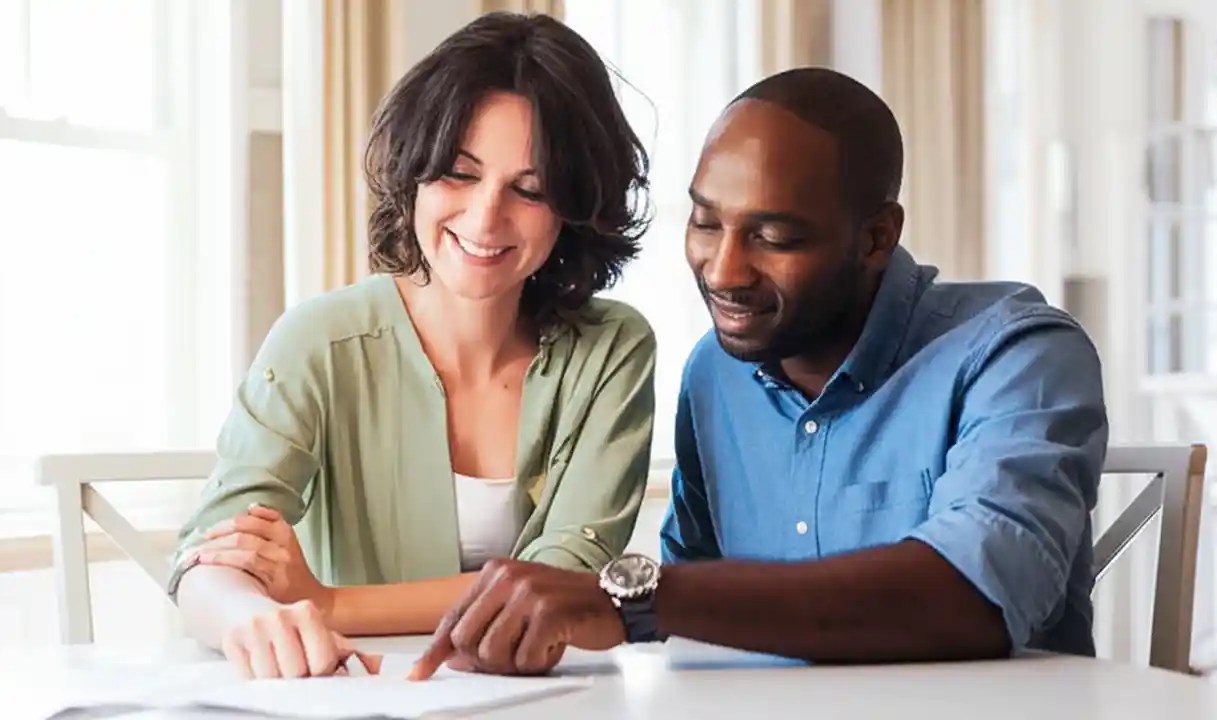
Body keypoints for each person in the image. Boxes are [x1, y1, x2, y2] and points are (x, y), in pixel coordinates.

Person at [406, 67, 1109, 680]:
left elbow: (972, 598)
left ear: (876, 237)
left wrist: (635, 596)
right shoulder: (716, 375)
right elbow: (697, 612)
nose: (724, 271)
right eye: (706, 223)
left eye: (773, 239)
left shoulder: (1017, 355)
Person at [170, 12, 658, 679]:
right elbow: (209, 559)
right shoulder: (320, 340)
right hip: (353, 695)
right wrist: (249, 618)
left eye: (530, 189)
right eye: (459, 173)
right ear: (415, 171)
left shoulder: (614, 351)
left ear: (574, 206)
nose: (486, 218)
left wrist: (328, 603)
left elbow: (561, 584)